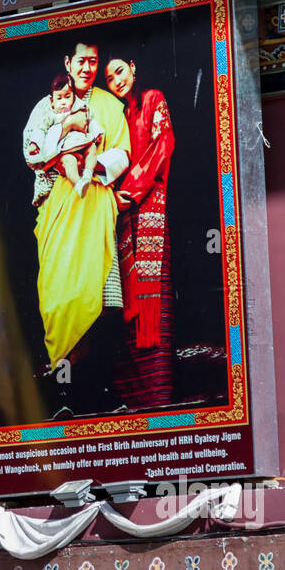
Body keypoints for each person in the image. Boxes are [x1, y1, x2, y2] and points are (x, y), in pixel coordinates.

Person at [21, 42, 130, 378]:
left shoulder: (110, 105)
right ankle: (66, 393)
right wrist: (66, 138)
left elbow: (123, 153)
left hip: (95, 208)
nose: (87, 68)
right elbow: (32, 150)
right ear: (68, 62)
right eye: (81, 61)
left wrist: (91, 169)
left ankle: (100, 390)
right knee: (60, 298)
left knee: (101, 303)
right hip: (59, 213)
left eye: (93, 62)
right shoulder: (47, 105)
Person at [104, 57, 175, 408]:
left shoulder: (152, 100)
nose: (116, 79)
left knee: (154, 301)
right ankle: (134, 402)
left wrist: (130, 191)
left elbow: (163, 146)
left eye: (119, 70)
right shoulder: (114, 119)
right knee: (125, 300)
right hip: (122, 217)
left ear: (134, 67)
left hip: (149, 209)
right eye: (109, 77)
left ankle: (158, 399)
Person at [24, 74, 105, 202]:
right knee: (69, 162)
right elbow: (40, 129)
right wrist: (35, 144)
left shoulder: (81, 108)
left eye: (67, 97)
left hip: (82, 142)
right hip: (65, 149)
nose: (63, 102)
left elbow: (91, 121)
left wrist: (97, 133)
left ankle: (88, 175)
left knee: (92, 149)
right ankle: (78, 184)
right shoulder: (51, 115)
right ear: (52, 101)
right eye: (59, 98)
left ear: (73, 96)